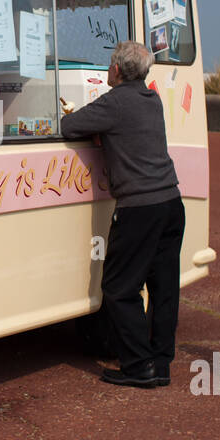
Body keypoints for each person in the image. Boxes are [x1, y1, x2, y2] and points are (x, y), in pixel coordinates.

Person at [60, 41, 185, 388]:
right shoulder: (152, 99)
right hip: (171, 203)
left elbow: (70, 127)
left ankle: (137, 365)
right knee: (163, 289)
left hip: (139, 208)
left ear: (114, 70)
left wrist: (77, 115)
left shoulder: (114, 102)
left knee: (118, 287)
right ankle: (160, 364)